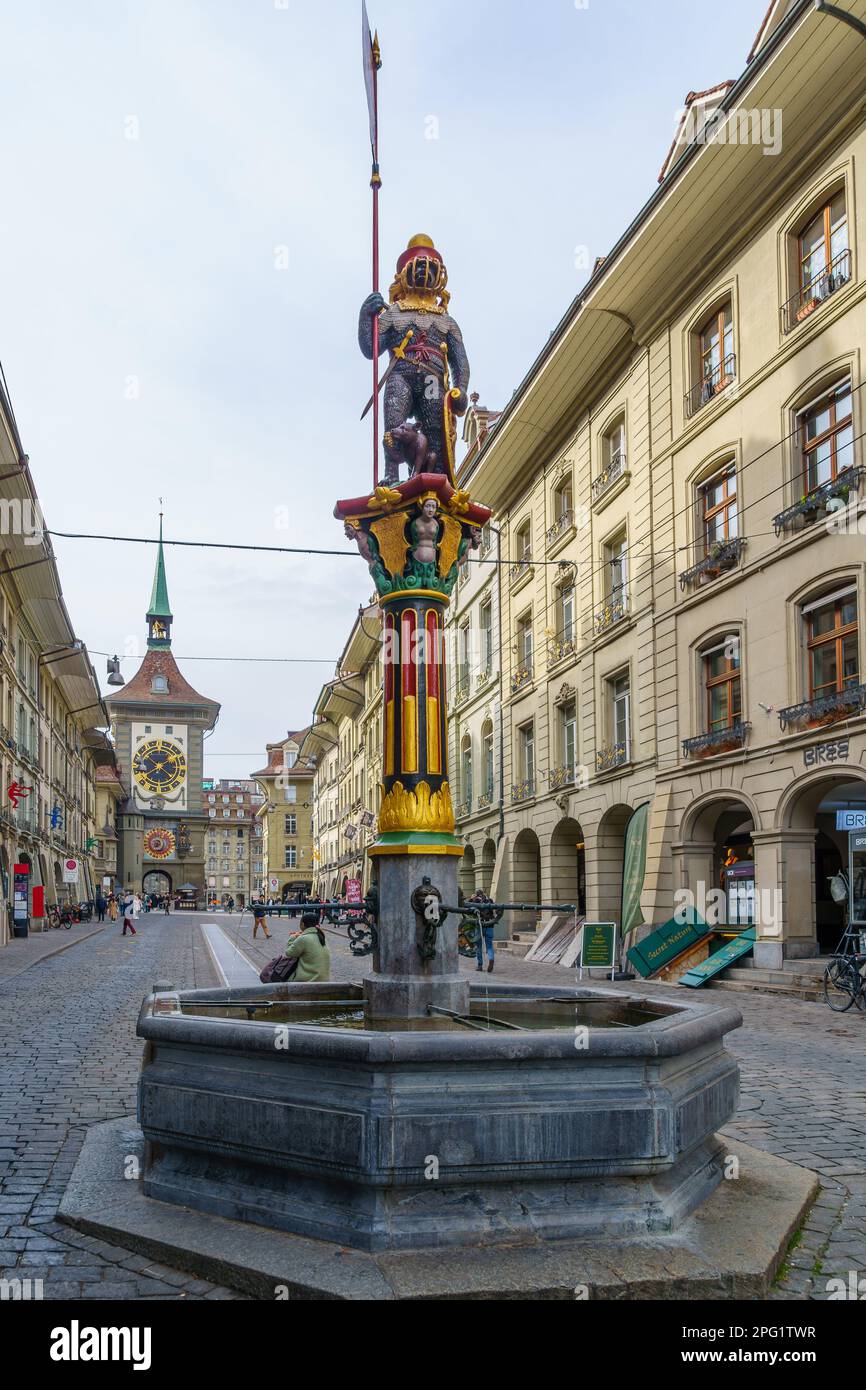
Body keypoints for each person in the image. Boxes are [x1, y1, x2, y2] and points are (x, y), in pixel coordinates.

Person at [283, 910, 330, 982]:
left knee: (280, 976)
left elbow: (289, 953)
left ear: (302, 924)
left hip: (309, 979)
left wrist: (293, 937)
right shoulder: (322, 937)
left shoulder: (303, 938)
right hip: (324, 979)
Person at [470, 889, 497, 974]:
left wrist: (471, 899)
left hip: (479, 925)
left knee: (479, 946)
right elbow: (495, 908)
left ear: (476, 895)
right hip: (489, 925)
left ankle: (480, 965)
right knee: (489, 946)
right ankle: (491, 958)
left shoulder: (475, 901)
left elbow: (466, 906)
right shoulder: (489, 900)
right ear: (483, 894)